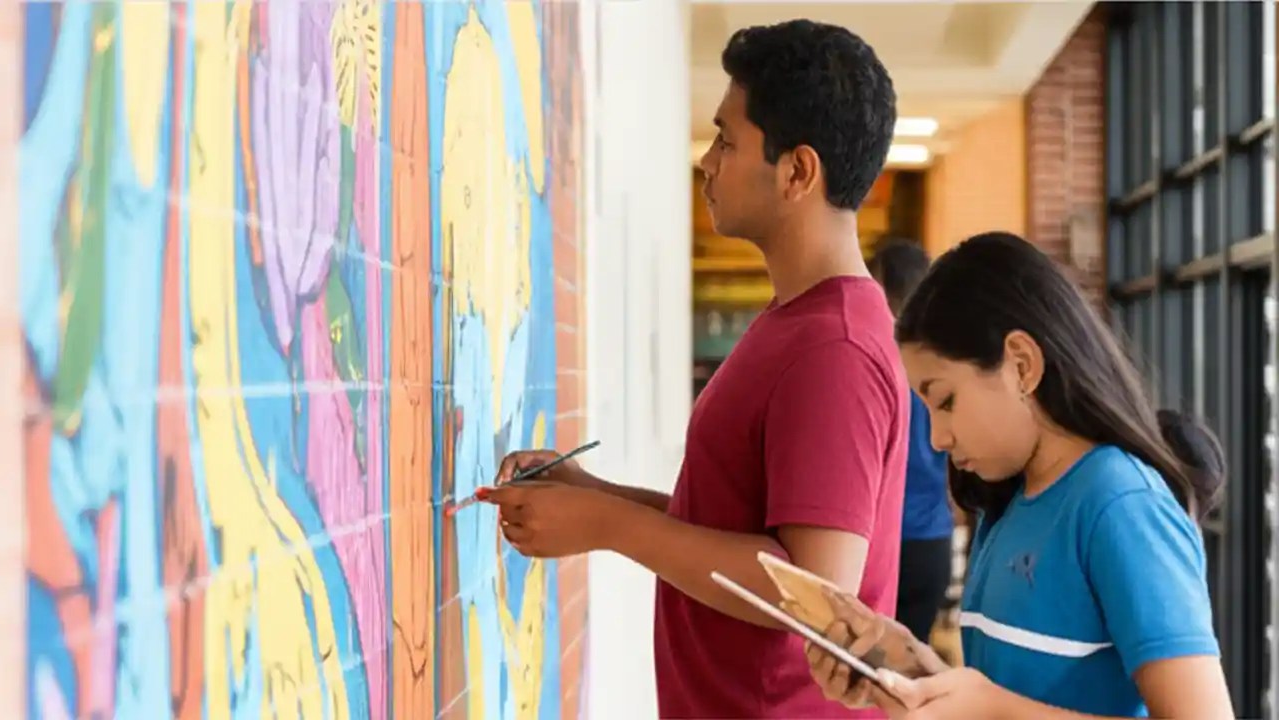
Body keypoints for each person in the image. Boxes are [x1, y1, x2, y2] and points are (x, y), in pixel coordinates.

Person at [483, 19, 908, 719]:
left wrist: (606, 526)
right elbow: (739, 528)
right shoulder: (794, 322)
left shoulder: (835, 348)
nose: (707, 162)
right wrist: (599, 495)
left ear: (797, 171)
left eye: (726, 140)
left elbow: (814, 589)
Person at [802, 231, 1234, 720]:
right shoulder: (1007, 502)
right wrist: (914, 670)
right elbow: (1013, 694)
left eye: (945, 401)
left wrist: (993, 712)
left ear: (1022, 365)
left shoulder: (1121, 503)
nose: (937, 438)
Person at [868, 239, 954, 644]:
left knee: (864, 683)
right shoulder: (947, 363)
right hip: (932, 543)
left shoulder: (872, 360)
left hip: (878, 545)